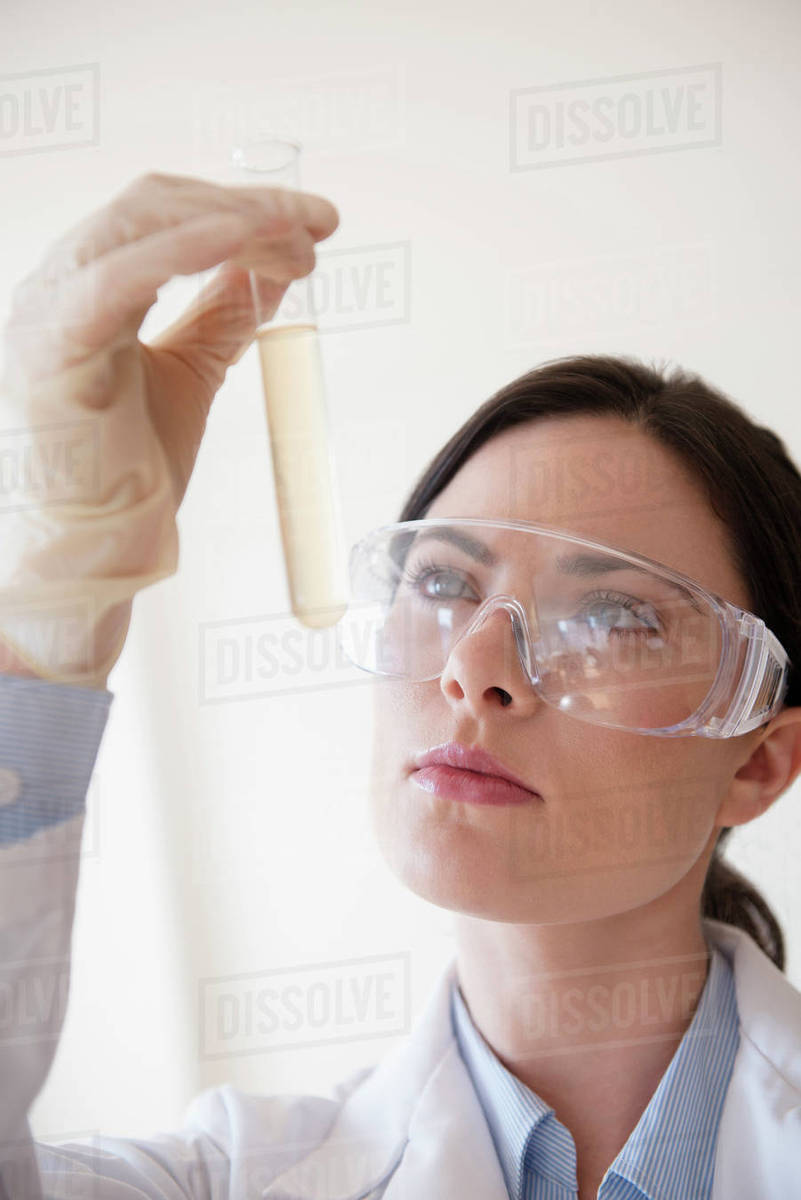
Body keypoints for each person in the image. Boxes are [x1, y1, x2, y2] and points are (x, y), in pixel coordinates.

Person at [1, 173, 800, 1200]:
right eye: (443, 584)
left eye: (611, 618)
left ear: (759, 761)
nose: (475, 667)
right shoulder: (229, 1180)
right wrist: (53, 620)